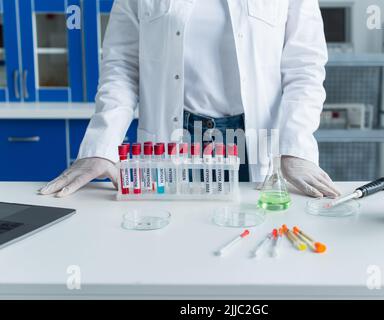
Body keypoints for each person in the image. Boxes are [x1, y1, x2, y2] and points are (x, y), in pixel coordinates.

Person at [40, 0, 340, 198]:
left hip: (255, 144)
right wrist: (101, 148)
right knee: (169, 247)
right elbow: (121, 67)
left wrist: (294, 149)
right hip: (172, 142)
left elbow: (305, 69)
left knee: (256, 246)